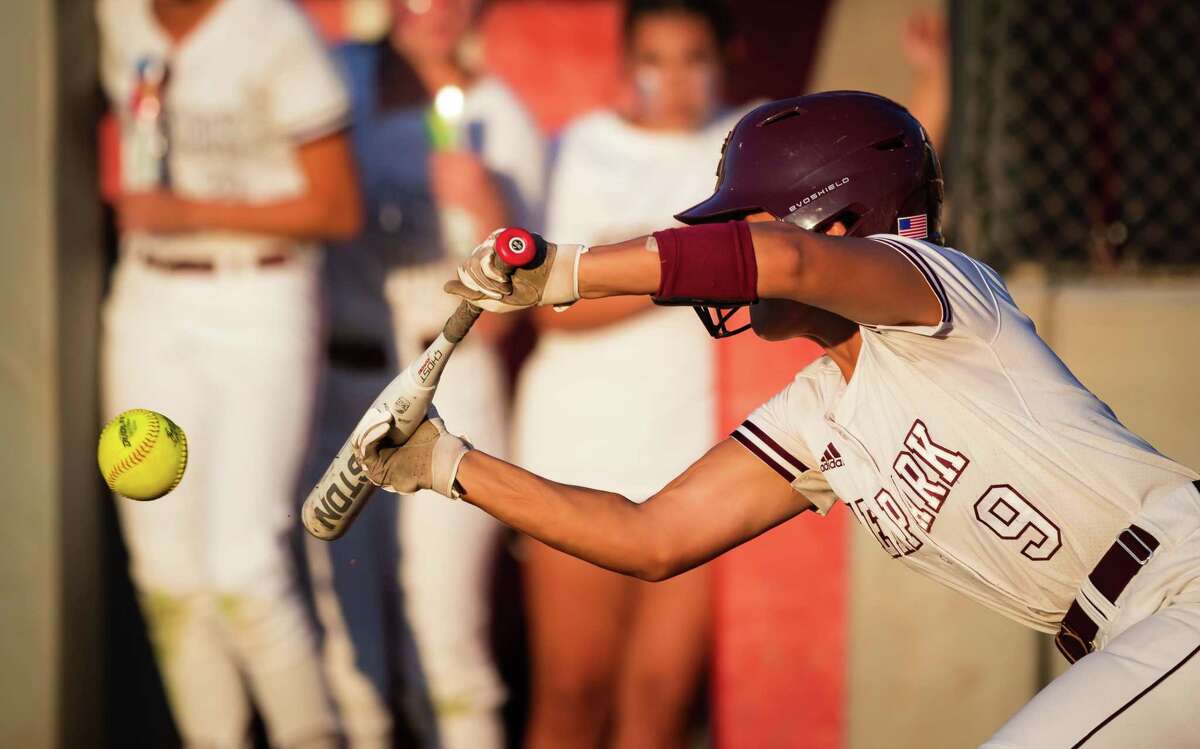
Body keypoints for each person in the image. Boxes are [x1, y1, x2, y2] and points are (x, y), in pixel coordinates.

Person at [359, 91, 1200, 747]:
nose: (726, 254)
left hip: (1180, 588)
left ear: (837, 221)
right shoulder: (819, 408)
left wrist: (574, 270)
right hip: (1133, 636)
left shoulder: (940, 285)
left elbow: (786, 259)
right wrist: (447, 464)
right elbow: (651, 538)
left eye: (741, 222)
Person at [96, 0, 361, 746]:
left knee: (244, 569)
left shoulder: (272, 29)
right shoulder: (117, 14)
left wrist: (187, 211)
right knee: (166, 576)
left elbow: (339, 208)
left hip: (257, 295)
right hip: (149, 298)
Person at [514, 1, 742, 746]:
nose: (674, 80)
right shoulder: (585, 147)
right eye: (653, 60)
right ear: (625, 67)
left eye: (694, 58)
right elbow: (556, 308)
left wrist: (934, 86)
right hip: (577, 444)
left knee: (661, 700)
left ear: (725, 61)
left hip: (698, 456)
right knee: (572, 691)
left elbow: (870, 186)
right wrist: (695, 260)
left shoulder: (750, 145)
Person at [332, 1, 544, 746]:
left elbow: (517, 310)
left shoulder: (501, 117)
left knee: (445, 638)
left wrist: (485, 201)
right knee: (347, 649)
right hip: (340, 377)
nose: (434, 7)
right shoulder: (336, 81)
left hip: (452, 378)